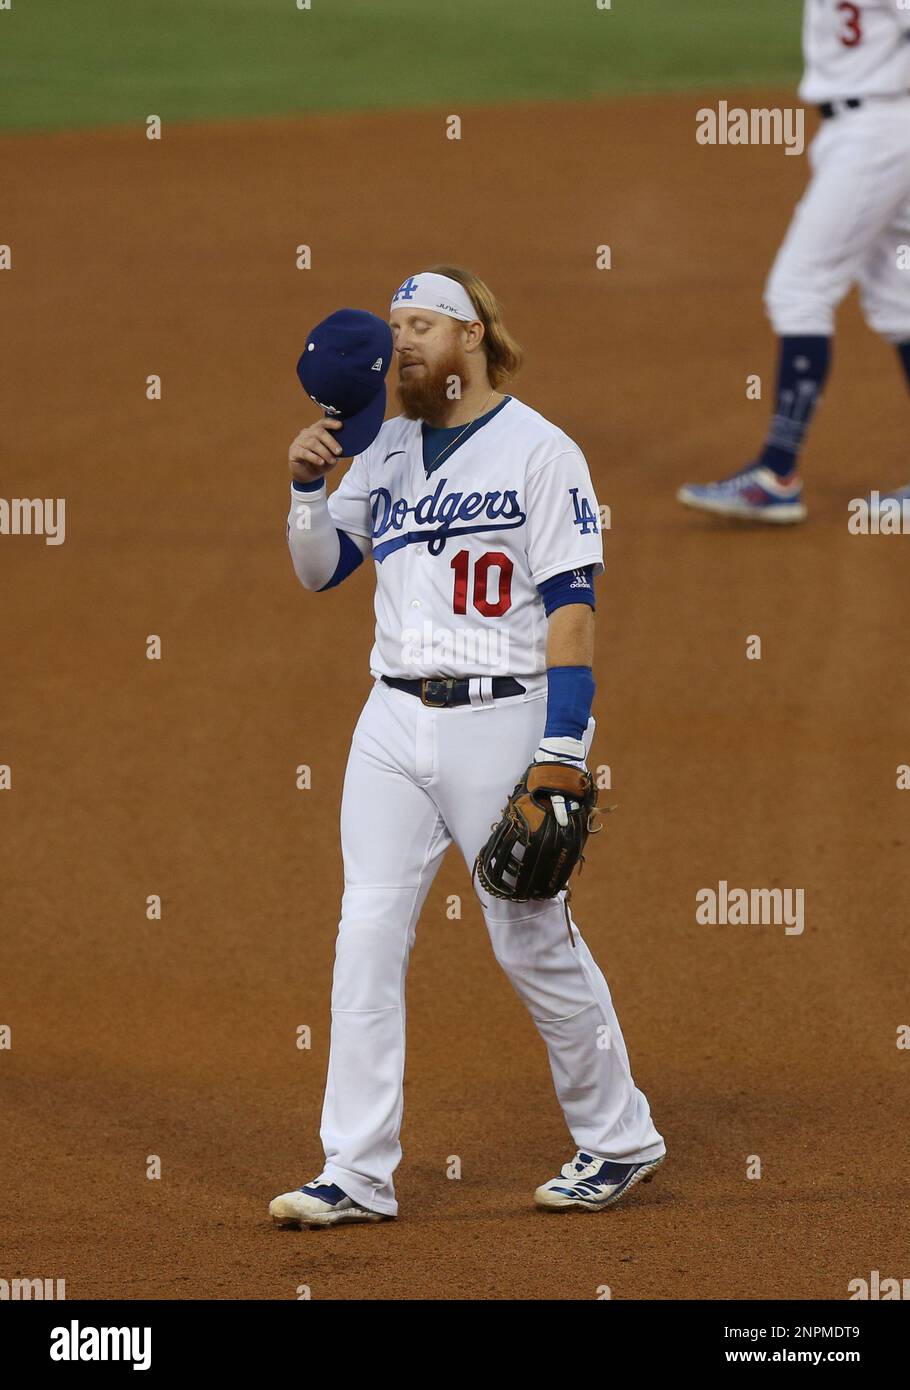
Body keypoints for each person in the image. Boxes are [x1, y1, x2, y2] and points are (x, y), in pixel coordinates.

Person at [269, 267, 665, 1228]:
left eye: (419, 323)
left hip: (506, 718)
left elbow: (574, 605)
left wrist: (565, 747)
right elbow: (323, 575)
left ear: (474, 334)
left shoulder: (542, 452)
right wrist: (306, 491)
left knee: (529, 935)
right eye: (393, 324)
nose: (399, 341)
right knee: (364, 934)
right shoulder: (388, 447)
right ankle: (355, 1173)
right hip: (392, 723)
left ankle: (619, 1140)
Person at [678, 0, 910, 523]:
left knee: (799, 290)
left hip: (877, 133)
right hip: (870, 129)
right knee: (901, 303)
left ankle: (776, 474)